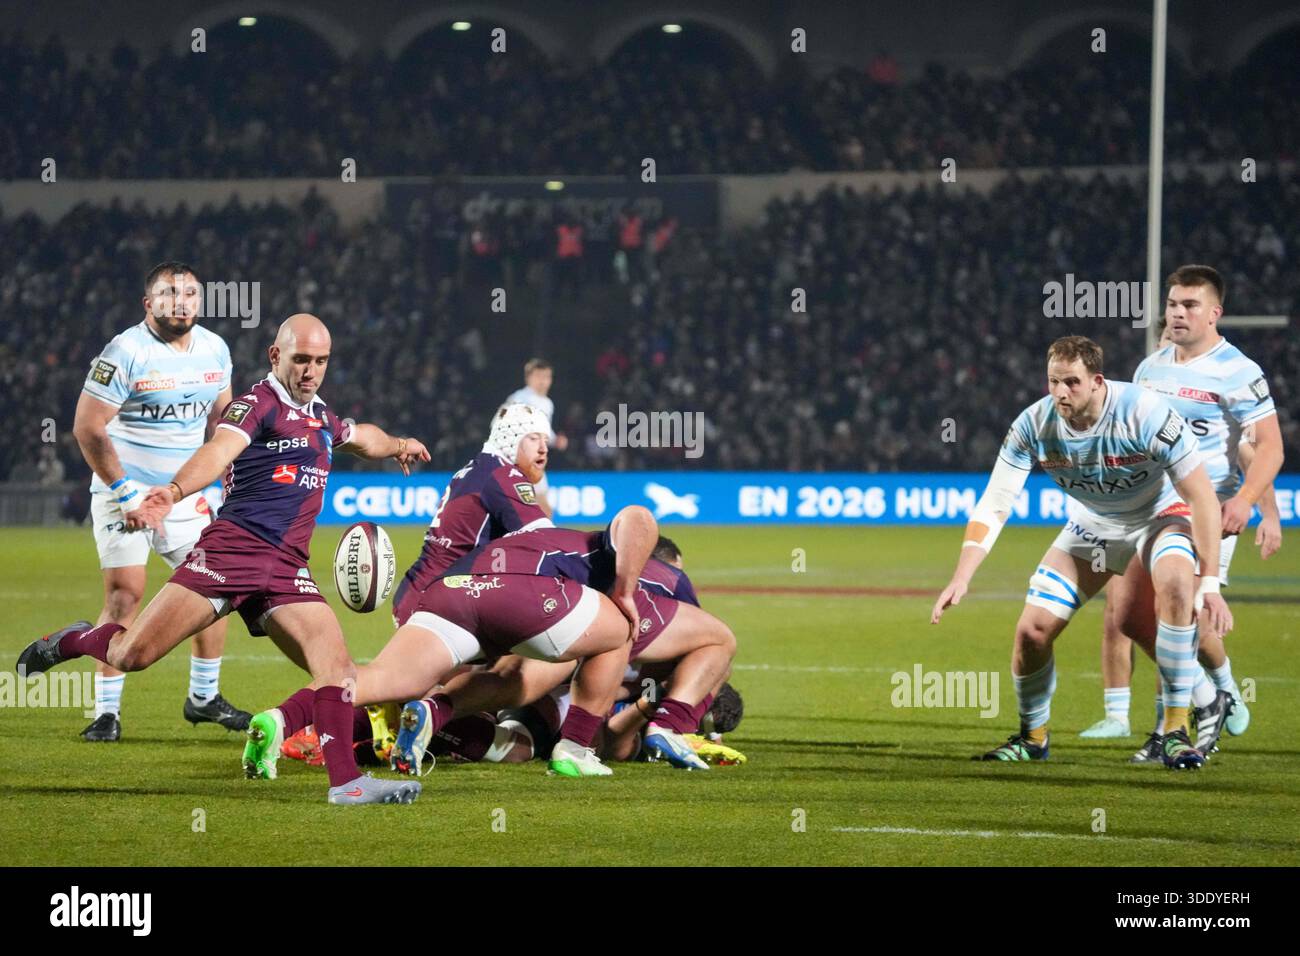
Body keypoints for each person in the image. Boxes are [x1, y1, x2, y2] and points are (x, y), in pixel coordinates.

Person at [18, 314, 430, 805]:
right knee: (132, 656)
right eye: (301, 359)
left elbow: (362, 437)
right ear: (276, 357)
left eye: (320, 361)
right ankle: (75, 638)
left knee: (338, 671)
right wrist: (172, 491)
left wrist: (399, 445)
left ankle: (346, 783)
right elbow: (218, 452)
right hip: (232, 553)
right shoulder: (256, 405)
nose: (310, 371)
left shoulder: (321, 416)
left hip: (286, 570)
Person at [931, 335, 1232, 769]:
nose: (1059, 392)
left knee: (1176, 587)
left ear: (1096, 381)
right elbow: (996, 502)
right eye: (1053, 381)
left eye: (1071, 382)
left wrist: (1210, 581)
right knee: (1032, 631)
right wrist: (962, 575)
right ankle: (1033, 738)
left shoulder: (1143, 412)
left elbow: (1202, 497)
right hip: (1096, 523)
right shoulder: (1033, 424)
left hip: (1161, 513)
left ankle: (1175, 730)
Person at [245, 505, 662, 780]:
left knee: (378, 678)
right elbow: (638, 516)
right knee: (622, 629)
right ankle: (573, 749)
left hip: (451, 590)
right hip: (524, 593)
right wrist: (625, 590)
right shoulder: (598, 552)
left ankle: (279, 720)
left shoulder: (547, 546)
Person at [1079, 267, 1283, 760]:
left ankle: (1183, 724)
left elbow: (1267, 448)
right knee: (1129, 617)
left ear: (1215, 313)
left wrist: (1249, 504)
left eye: (1190, 305)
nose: (1177, 313)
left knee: (1184, 613)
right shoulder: (1151, 368)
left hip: (1204, 513)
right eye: (1172, 303)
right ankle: (1218, 690)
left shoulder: (1239, 370)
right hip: (1148, 510)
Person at [70, 261, 249, 742]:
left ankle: (204, 698)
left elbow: (222, 425)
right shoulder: (124, 351)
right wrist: (127, 493)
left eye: (190, 293)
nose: (181, 301)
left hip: (183, 496)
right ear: (149, 304)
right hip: (122, 492)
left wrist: (224, 484)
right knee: (124, 594)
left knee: (214, 586)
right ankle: (106, 712)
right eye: (169, 293)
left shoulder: (215, 349)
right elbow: (88, 427)